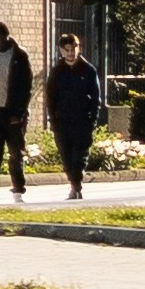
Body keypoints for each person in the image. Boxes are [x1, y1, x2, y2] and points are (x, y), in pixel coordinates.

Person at [41, 22, 111, 196]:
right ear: (61, 51)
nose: (71, 53)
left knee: (79, 155)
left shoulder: (88, 70)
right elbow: (50, 98)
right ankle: (74, 183)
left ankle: (76, 185)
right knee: (66, 155)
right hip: (62, 121)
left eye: (74, 49)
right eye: (67, 50)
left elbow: (96, 97)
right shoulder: (56, 72)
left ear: (78, 49)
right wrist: (53, 118)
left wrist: (92, 119)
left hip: (82, 120)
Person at [0, 21, 40, 200]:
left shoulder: (19, 56)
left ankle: (18, 190)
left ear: (5, 36)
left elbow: (26, 87)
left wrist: (19, 113)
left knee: (15, 153)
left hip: (13, 113)